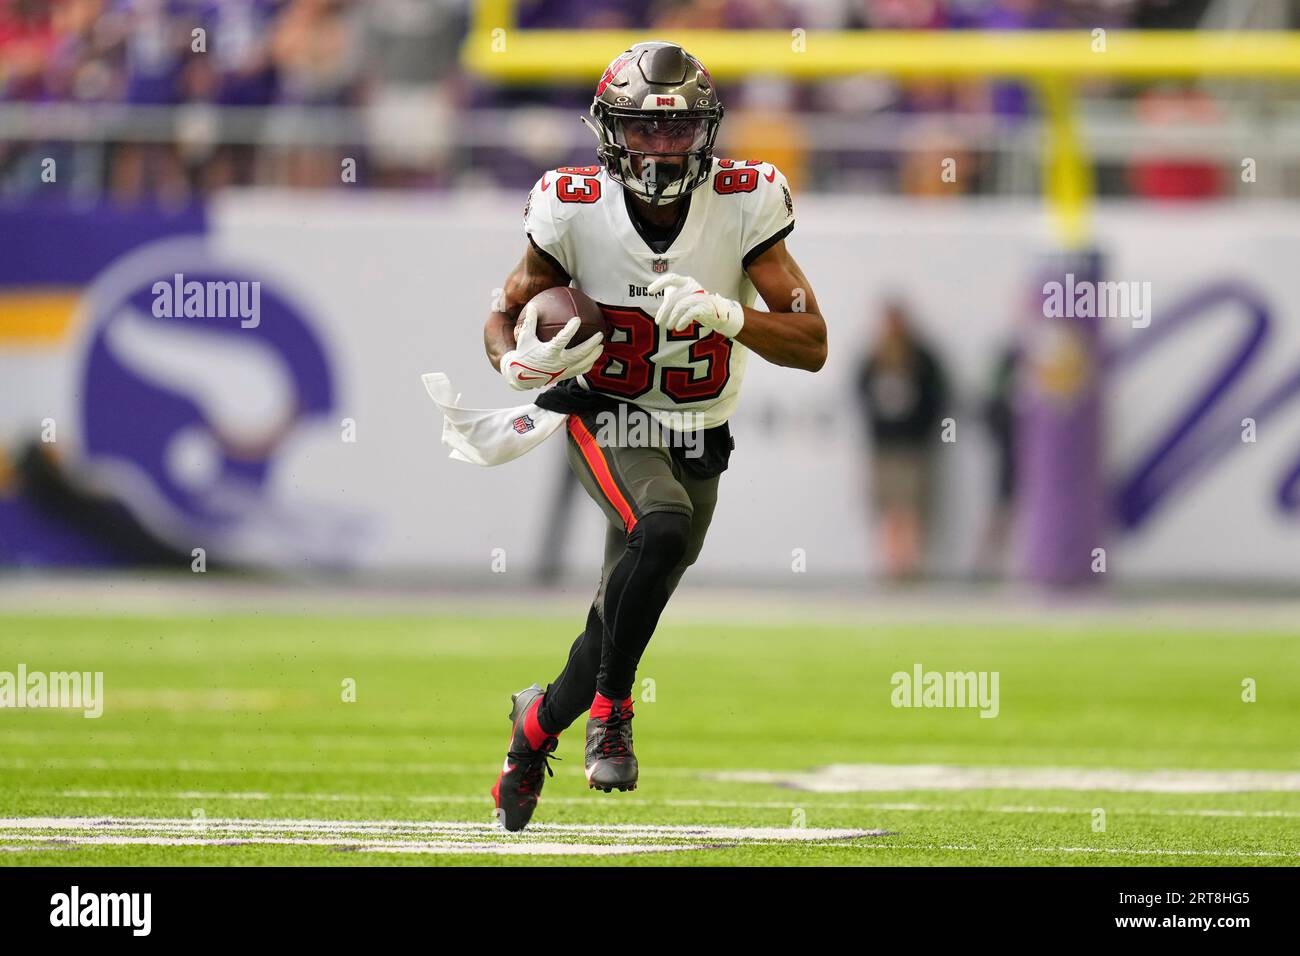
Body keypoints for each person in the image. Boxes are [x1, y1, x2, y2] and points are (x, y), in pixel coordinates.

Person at [479, 41, 827, 831]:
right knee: (661, 526)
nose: (661, 148)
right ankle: (612, 715)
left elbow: (813, 343)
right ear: (610, 132)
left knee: (614, 622)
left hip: (699, 429)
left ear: (706, 134)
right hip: (607, 410)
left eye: (676, 132)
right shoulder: (570, 205)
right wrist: (512, 362)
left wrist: (728, 314)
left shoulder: (746, 202)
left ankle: (533, 729)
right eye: (642, 130)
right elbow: (504, 311)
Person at [855, 300, 946, 581]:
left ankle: (909, 570)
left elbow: (938, 399)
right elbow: (862, 396)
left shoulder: (922, 359)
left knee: (910, 511)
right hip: (884, 449)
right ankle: (892, 570)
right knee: (888, 513)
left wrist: (922, 432)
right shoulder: (873, 359)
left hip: (912, 450)